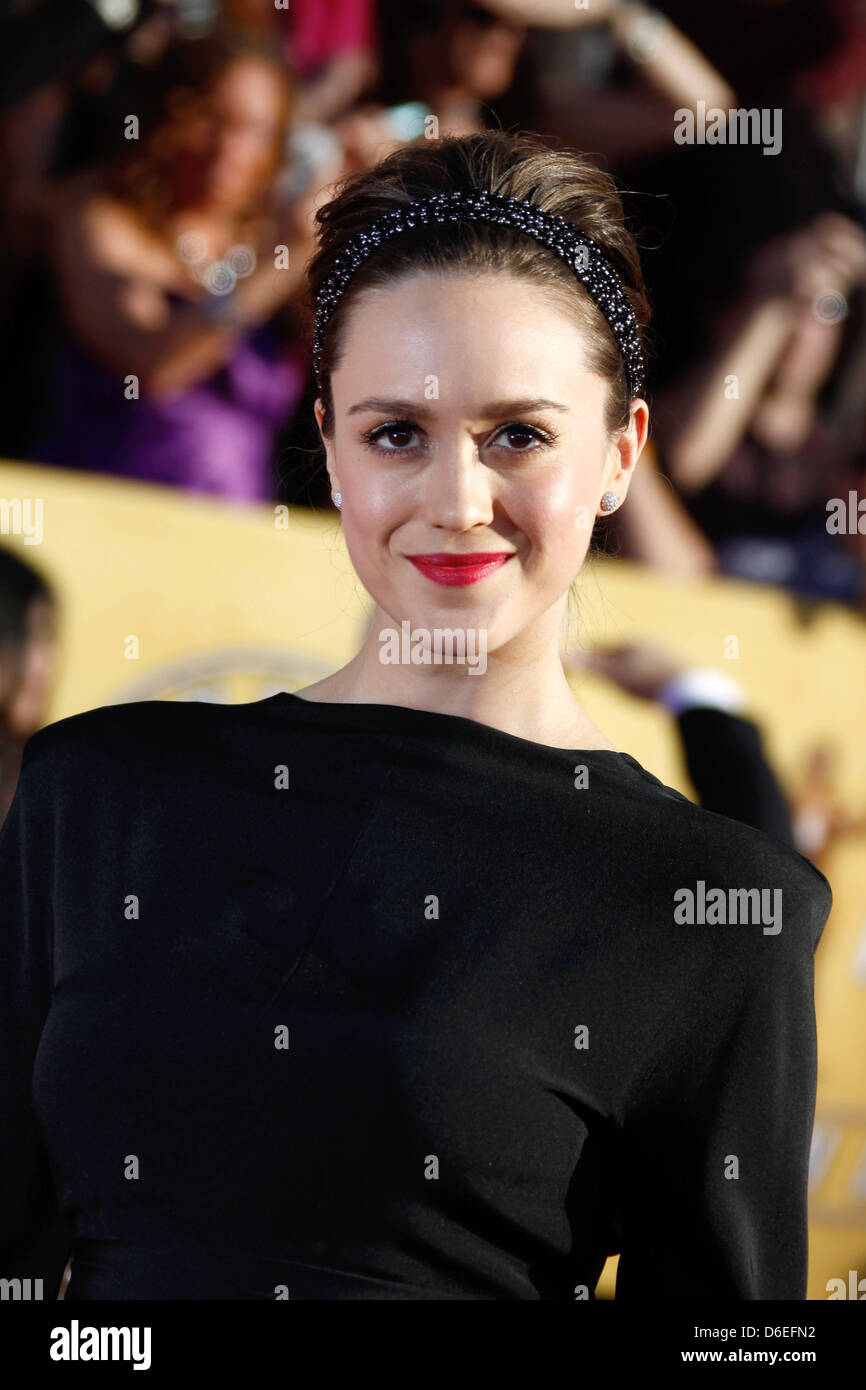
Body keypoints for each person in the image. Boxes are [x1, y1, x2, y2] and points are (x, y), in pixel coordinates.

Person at [0, 130, 832, 1301]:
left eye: (519, 435)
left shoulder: (707, 905)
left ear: (619, 453)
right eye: (397, 433)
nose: (455, 501)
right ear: (331, 446)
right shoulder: (96, 792)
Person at [32, 29, 326, 501]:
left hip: (234, 523)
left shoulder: (276, 239)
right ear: (164, 113)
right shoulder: (99, 221)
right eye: (211, 118)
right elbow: (157, 366)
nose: (229, 148)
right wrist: (279, 264)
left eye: (255, 129)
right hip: (103, 506)